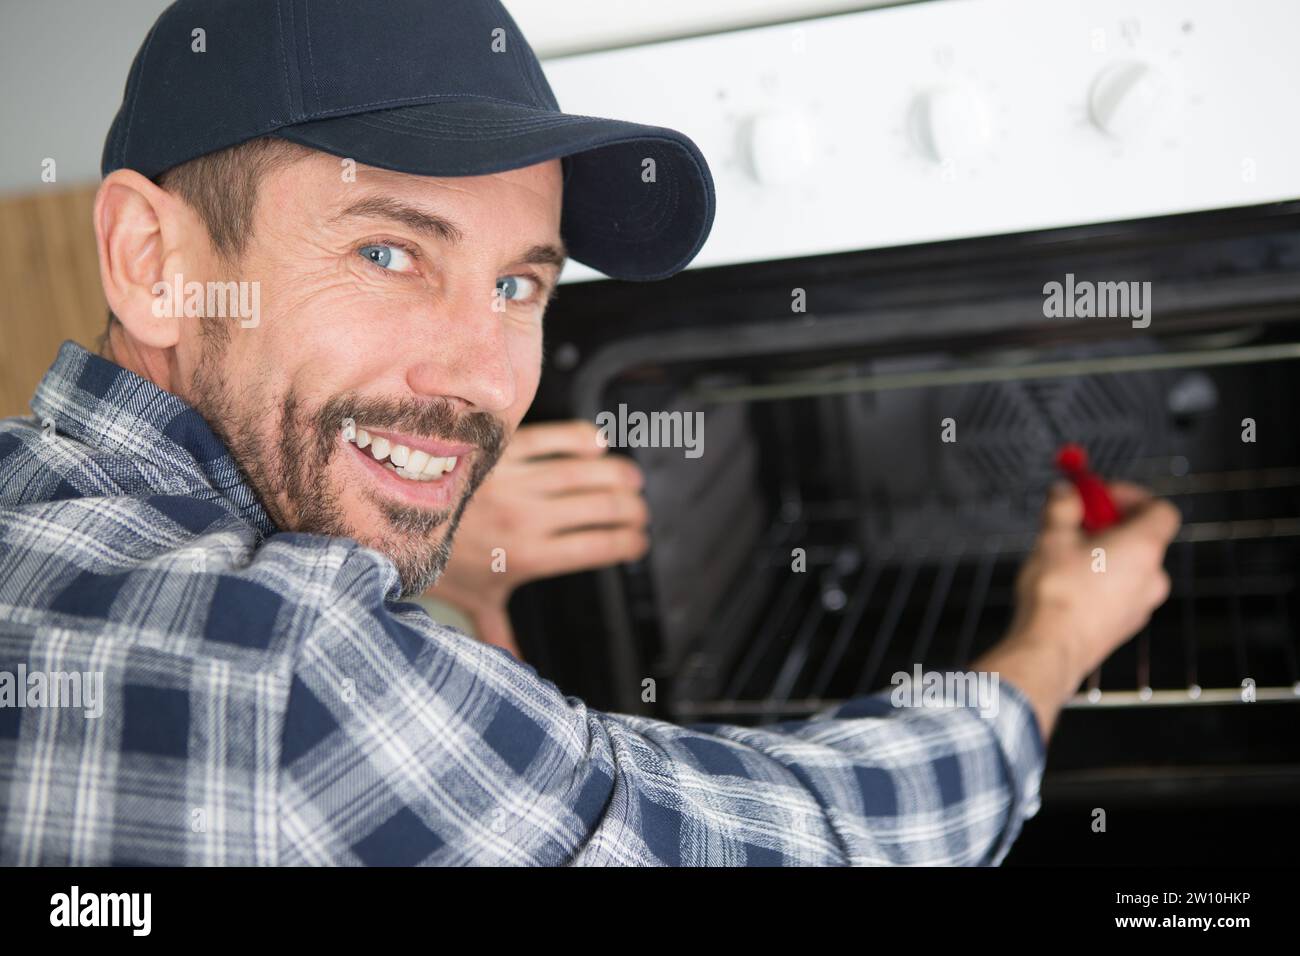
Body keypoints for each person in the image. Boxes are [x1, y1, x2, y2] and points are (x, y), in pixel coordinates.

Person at [0, 0, 1179, 865]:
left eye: (520, 283)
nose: (477, 379)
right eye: (386, 252)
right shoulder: (288, 675)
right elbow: (832, 842)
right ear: (153, 260)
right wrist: (1057, 636)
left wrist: (378, 563)